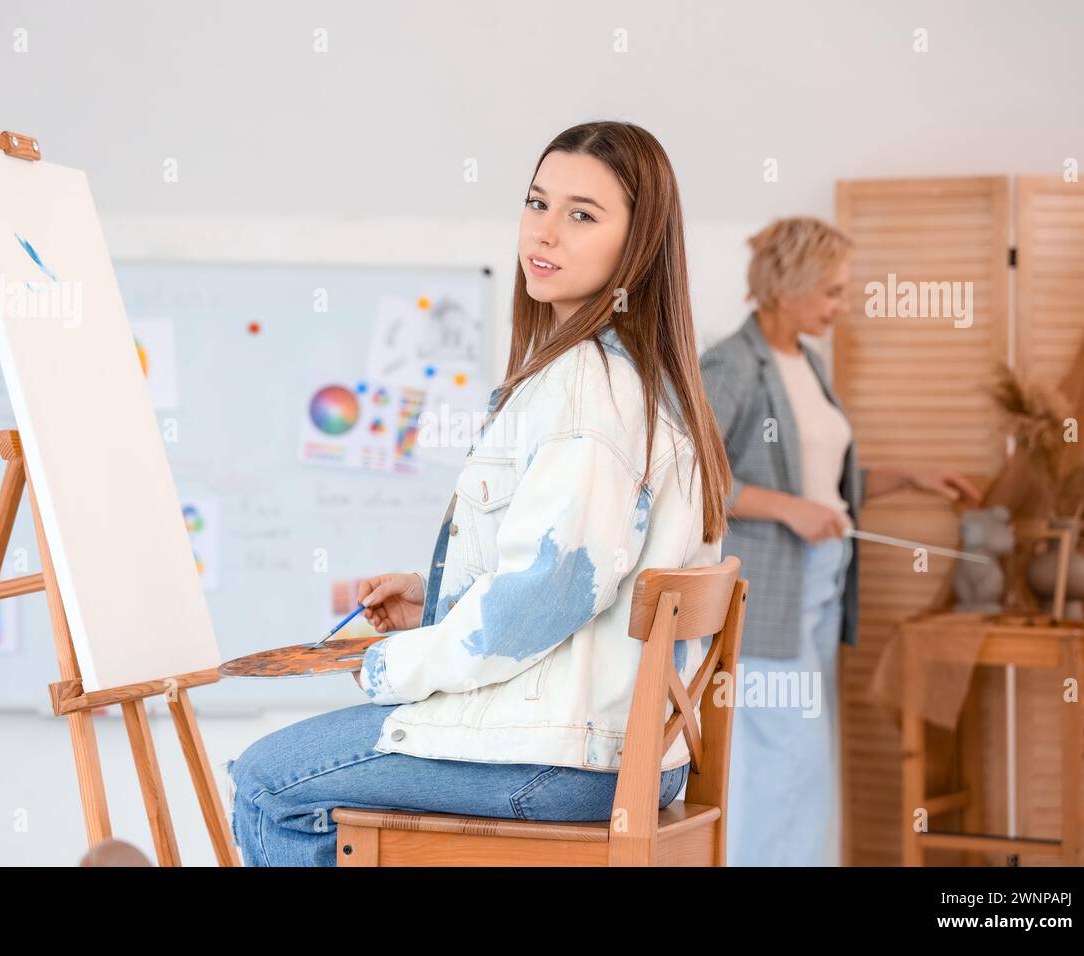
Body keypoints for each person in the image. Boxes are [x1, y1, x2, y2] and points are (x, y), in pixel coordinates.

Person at [227, 121, 733, 866]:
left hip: (563, 758)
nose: (546, 232)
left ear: (639, 244)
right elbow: (570, 572)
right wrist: (435, 598)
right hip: (619, 751)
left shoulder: (586, 390)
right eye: (537, 204)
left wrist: (393, 663)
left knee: (269, 783)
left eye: (582, 214)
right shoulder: (640, 382)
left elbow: (545, 594)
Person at [699, 216, 982, 866]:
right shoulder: (733, 364)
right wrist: (789, 511)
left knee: (803, 763)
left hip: (820, 593)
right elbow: (693, 481)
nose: (842, 306)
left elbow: (822, 487)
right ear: (788, 287)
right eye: (832, 292)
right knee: (786, 763)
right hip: (770, 602)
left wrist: (906, 479)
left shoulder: (806, 364)